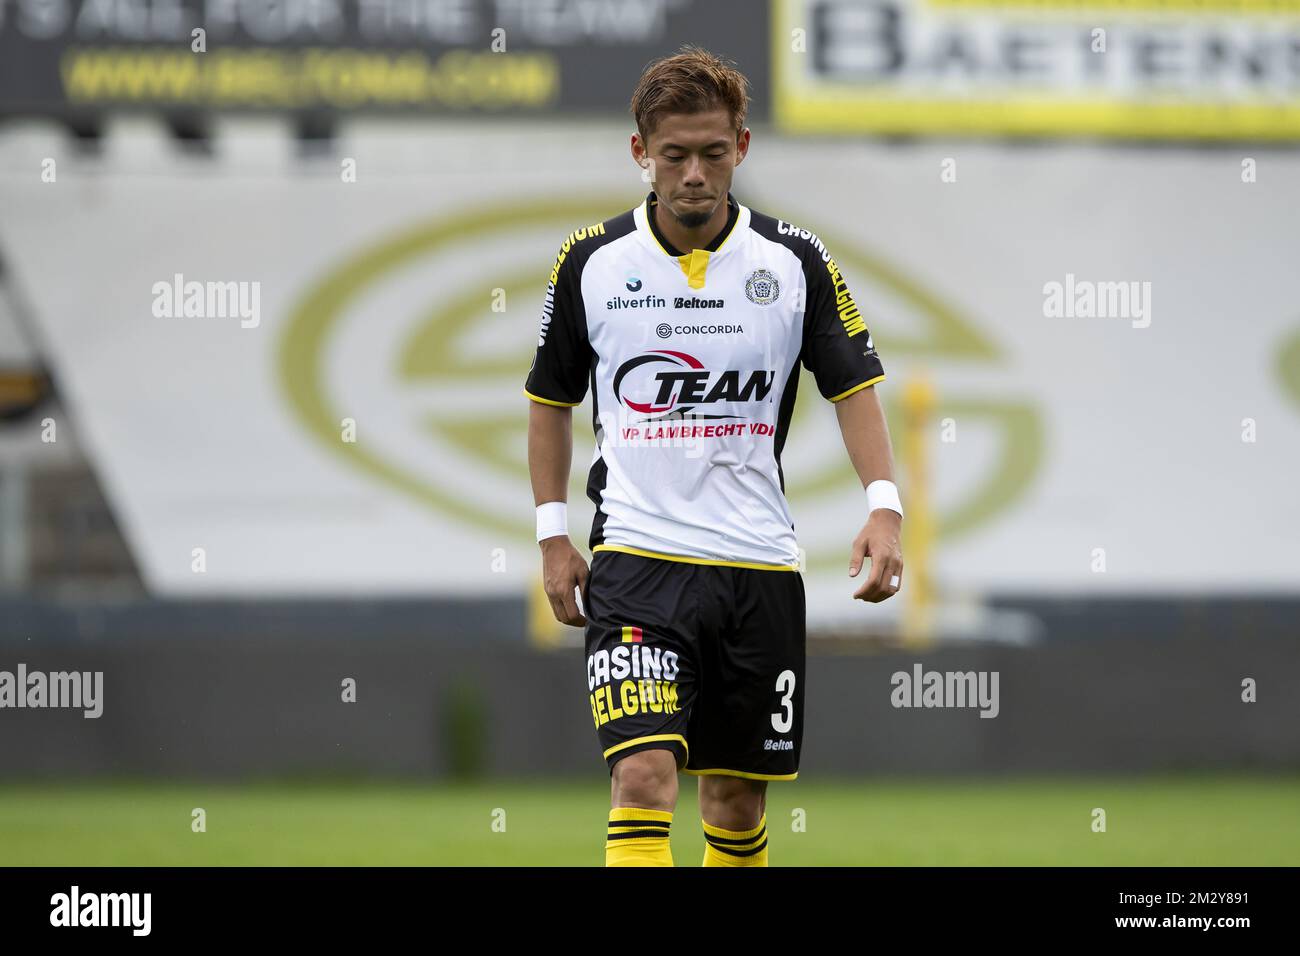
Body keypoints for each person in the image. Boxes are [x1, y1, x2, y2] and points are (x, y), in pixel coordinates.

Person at [524, 46, 904, 867]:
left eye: (713, 153)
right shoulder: (592, 263)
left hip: (757, 568)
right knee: (644, 776)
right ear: (640, 154)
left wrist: (885, 508)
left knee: (734, 801)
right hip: (637, 563)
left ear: (742, 147)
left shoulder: (795, 262)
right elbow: (549, 402)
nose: (694, 174)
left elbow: (853, 387)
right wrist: (554, 536)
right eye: (675, 155)